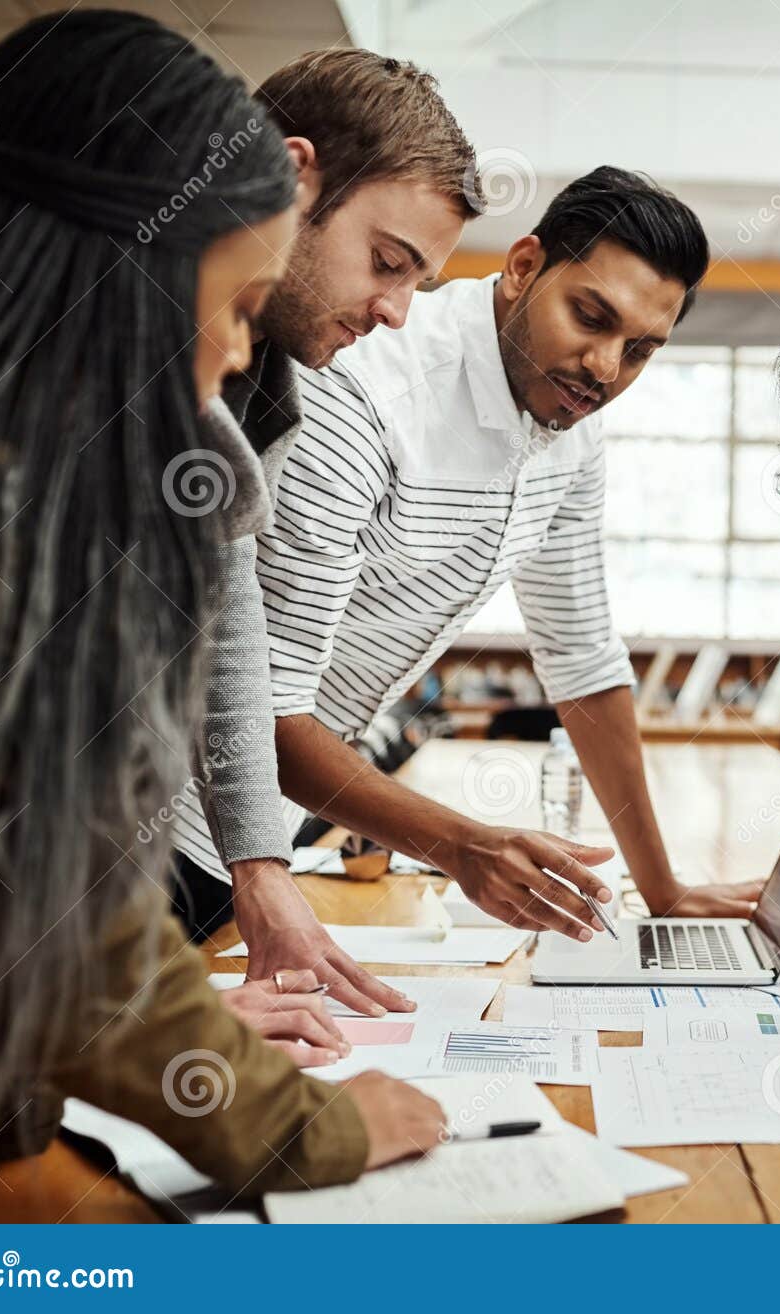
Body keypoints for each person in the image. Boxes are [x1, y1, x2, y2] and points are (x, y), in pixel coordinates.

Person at [0, 10, 444, 1221]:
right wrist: (309, 1131)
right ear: (106, 275)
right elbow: (51, 930)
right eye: (227, 306)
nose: (230, 358)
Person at [169, 167, 764, 936]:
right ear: (522, 268)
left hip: (272, 833)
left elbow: (582, 657)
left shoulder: (572, 434)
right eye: (590, 316)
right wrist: (464, 845)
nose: (606, 369)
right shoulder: (366, 394)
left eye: (642, 349)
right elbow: (264, 707)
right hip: (169, 821)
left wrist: (664, 889)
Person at [171, 49, 480, 1026]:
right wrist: (119, 1017)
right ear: (296, 178)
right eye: (388, 262)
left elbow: (229, 638)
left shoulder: (254, 386)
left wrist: (258, 870)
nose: (394, 312)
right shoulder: (127, 354)